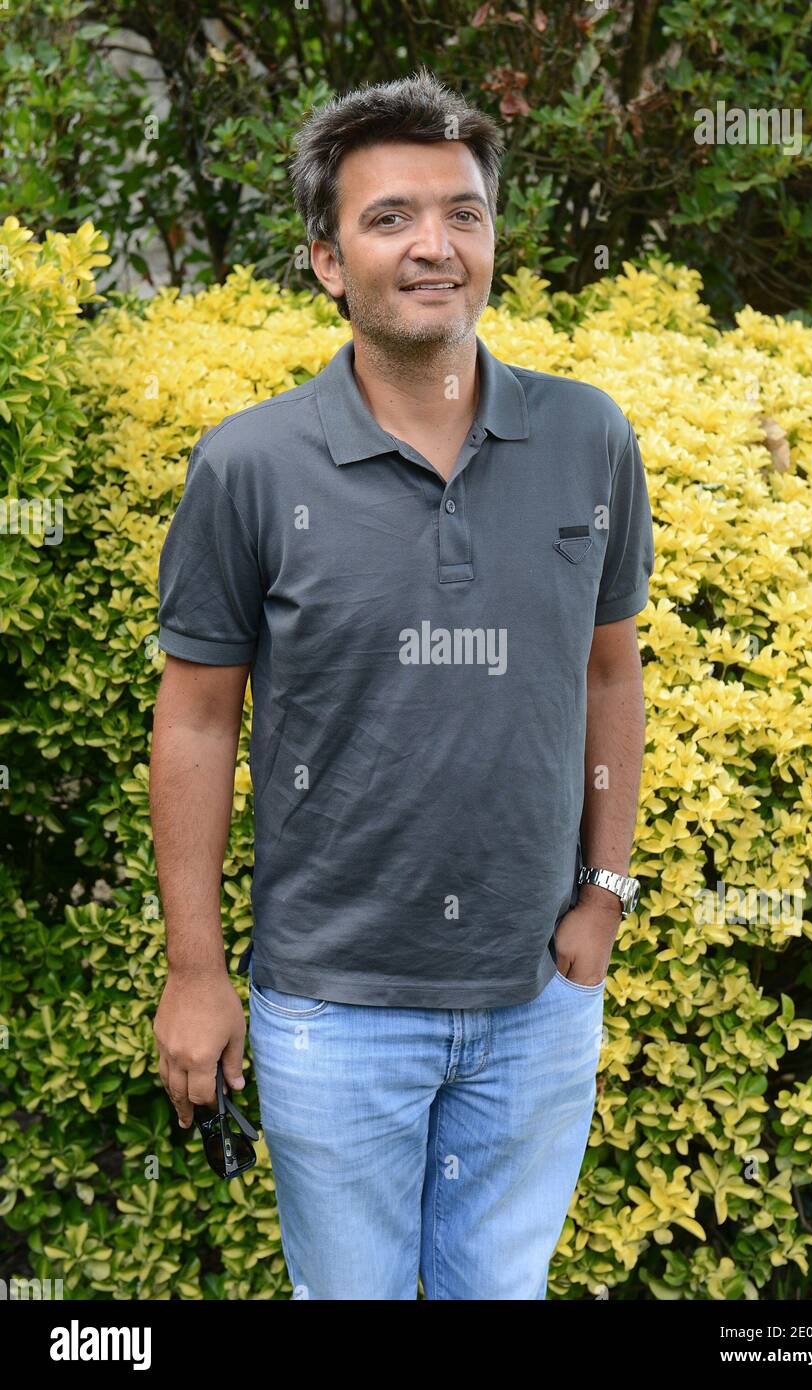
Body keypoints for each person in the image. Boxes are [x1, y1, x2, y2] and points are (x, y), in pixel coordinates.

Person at [151, 66, 655, 1300]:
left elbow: (608, 670)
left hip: (535, 996)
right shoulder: (251, 465)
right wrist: (196, 968)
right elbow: (198, 718)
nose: (435, 246)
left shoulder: (587, 435)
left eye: (463, 213)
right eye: (390, 219)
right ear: (327, 260)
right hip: (332, 1009)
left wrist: (599, 899)